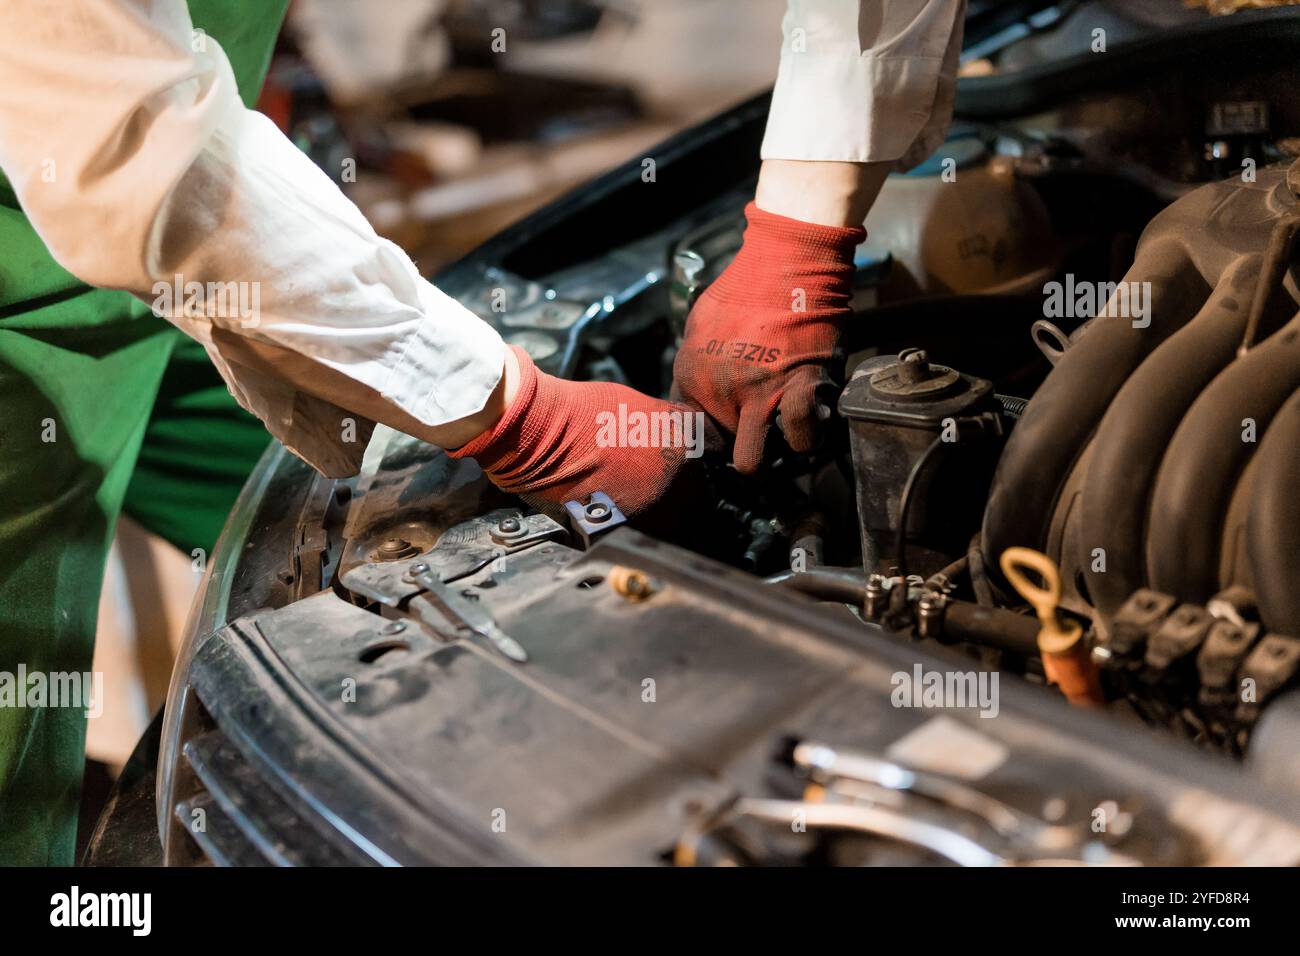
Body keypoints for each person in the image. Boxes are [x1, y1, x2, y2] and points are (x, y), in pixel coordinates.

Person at [0, 0, 962, 864]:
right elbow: (131, 139)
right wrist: (524, 422)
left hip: (178, 265)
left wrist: (802, 230)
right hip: (33, 291)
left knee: (347, 550)